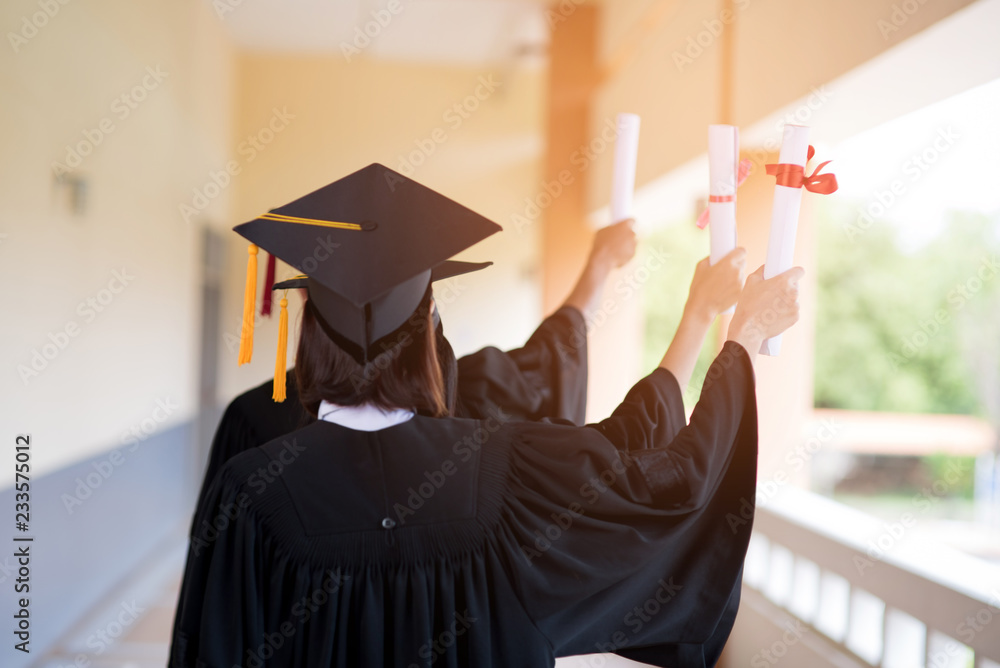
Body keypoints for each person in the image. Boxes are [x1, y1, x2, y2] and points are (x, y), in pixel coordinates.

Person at [170, 163, 800, 667]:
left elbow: (208, 647)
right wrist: (730, 334)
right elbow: (656, 479)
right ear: (430, 339)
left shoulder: (248, 492)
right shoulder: (509, 471)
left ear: (308, 333)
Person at [192, 219, 637, 521]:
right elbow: (550, 358)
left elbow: (218, 586)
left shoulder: (251, 419)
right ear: (425, 312)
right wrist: (598, 265)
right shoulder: (466, 398)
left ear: (308, 305)